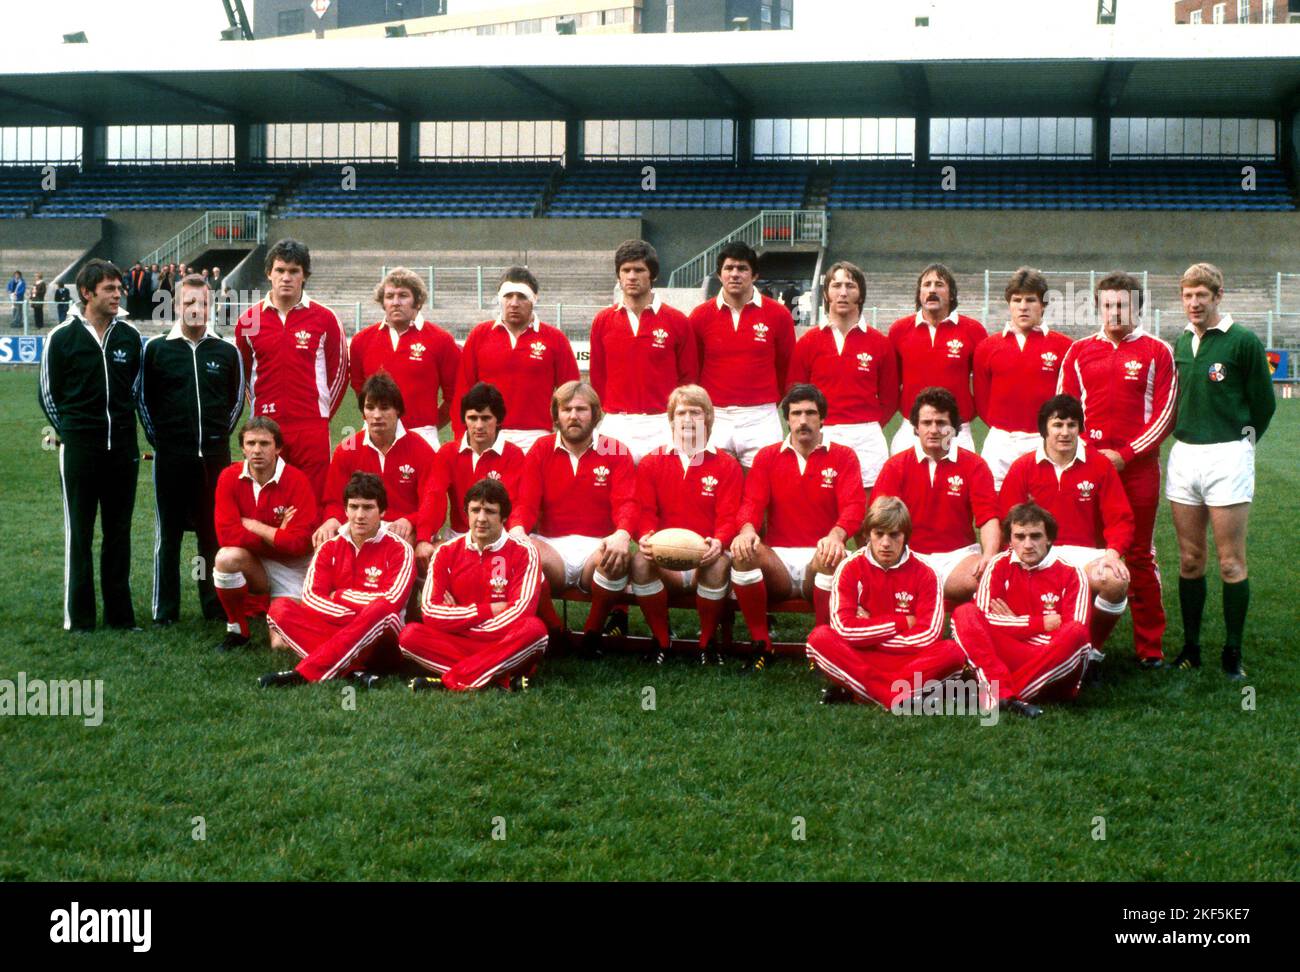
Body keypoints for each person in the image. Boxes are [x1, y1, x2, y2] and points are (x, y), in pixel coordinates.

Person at [1056, 271, 1176, 666]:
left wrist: (1126, 454)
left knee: (1138, 553)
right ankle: (1083, 642)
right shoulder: (1078, 352)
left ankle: (1149, 647)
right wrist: (1088, 452)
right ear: (1098, 307)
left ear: (1137, 307)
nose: (1115, 311)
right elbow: (1064, 408)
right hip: (1088, 467)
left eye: (1123, 304)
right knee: (1086, 550)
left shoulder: (1158, 351)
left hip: (1137, 468)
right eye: (1108, 304)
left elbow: (1165, 415)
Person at [1166, 262, 1275, 678]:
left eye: (1202, 295)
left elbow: (1263, 405)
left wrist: (1242, 447)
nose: (1194, 303)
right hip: (1185, 455)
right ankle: (1191, 649)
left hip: (1228, 455)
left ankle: (1232, 652)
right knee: (1190, 559)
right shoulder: (1180, 342)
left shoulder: (1243, 341)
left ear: (1217, 296)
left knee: (1231, 562)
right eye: (1188, 295)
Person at [37, 259, 142, 632]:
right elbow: (48, 394)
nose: (117, 295)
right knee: (79, 534)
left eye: (119, 289)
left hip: (123, 451)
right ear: (87, 292)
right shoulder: (62, 337)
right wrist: (73, 432)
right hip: (80, 451)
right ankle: (79, 619)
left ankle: (120, 617)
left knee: (119, 533)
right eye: (110, 289)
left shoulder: (129, 337)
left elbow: (135, 391)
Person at [730, 383, 867, 668]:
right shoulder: (767, 457)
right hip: (778, 560)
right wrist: (747, 530)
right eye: (796, 414)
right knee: (743, 555)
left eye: (810, 413)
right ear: (787, 419)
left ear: (822, 418)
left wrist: (836, 535)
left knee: (833, 556)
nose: (803, 420)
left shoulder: (843, 456)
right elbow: (752, 503)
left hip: (819, 555)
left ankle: (821, 648)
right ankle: (762, 644)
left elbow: (854, 507)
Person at [137, 274, 245, 626]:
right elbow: (144, 402)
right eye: (188, 303)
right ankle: (164, 610)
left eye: (202, 303)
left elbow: (235, 402)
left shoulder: (226, 351)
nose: (195, 310)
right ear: (175, 305)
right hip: (170, 457)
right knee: (167, 534)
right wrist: (165, 441)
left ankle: (213, 604)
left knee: (210, 534)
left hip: (214, 460)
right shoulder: (156, 350)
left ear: (210, 305)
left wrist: (213, 440)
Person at [508, 380, 637, 655]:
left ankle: (592, 634)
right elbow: (526, 503)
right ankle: (556, 632)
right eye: (566, 409)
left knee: (616, 558)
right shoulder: (541, 449)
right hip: (553, 545)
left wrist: (623, 534)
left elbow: (626, 502)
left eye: (581, 409)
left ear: (595, 414)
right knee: (524, 553)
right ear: (556, 415)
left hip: (597, 546)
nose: (573, 416)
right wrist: (518, 529)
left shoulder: (615, 450)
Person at [999, 394, 1133, 656]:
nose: (1065, 432)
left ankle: (1090, 651)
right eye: (1057, 425)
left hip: (1084, 556)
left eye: (1072, 425)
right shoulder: (1023, 467)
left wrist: (1113, 553)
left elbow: (1121, 519)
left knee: (1115, 581)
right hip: (1036, 552)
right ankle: (1035, 647)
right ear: (1044, 429)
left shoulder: (1100, 466)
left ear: (1080, 429)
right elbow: (1007, 521)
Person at [805, 496, 966, 708]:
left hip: (905, 658)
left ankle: (860, 691)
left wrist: (869, 632)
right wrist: (902, 623)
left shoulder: (927, 572)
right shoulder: (849, 568)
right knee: (819, 639)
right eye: (879, 534)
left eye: (894, 535)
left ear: (906, 536)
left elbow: (928, 635)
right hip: (864, 656)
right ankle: (892, 695)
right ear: (867, 535)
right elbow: (843, 629)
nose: (886, 543)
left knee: (952, 653)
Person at [258, 472, 416, 688]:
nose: (360, 515)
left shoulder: (400, 549)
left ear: (383, 511)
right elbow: (311, 598)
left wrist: (339, 595)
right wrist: (355, 620)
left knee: (379, 609)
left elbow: (391, 602)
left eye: (368, 507)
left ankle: (302, 674)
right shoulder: (329, 547)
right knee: (280, 608)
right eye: (354, 507)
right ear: (345, 509)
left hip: (382, 641)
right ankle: (354, 672)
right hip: (341, 630)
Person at [400, 477, 547, 693]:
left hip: (500, 638)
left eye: (490, 511)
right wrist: (488, 610)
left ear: (504, 516)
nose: (481, 518)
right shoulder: (445, 552)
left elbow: (521, 613)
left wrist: (458, 619)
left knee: (535, 631)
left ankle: (451, 680)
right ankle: (499, 677)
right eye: (475, 510)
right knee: (409, 636)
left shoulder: (525, 552)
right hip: (478, 643)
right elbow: (430, 612)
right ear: (466, 512)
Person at [632, 384, 743, 665]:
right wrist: (646, 536)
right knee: (640, 563)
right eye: (681, 412)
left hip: (704, 557)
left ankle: (706, 643)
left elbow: (729, 516)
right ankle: (662, 641)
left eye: (696, 412)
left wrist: (719, 541)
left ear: (708, 419)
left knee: (719, 565)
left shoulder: (726, 465)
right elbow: (645, 511)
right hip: (665, 556)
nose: (688, 419)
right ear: (671, 420)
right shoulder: (651, 462)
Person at [951, 503, 1094, 718]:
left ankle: (1000, 693)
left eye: (1035, 536)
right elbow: (983, 621)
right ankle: (1007, 695)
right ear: (1010, 540)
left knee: (1076, 633)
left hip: (1051, 665)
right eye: (1020, 537)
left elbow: (1073, 633)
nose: (1027, 545)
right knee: (964, 614)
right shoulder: (998, 565)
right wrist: (1039, 624)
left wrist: (1011, 623)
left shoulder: (1072, 573)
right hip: (1009, 652)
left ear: (1049, 539)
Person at [234, 238, 348, 500]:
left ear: (304, 276)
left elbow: (340, 375)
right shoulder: (248, 321)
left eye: (294, 271)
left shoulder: (326, 318)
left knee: (313, 500)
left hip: (311, 427)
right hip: (267, 429)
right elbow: (244, 378)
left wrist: (319, 414)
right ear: (268, 273)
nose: (286, 277)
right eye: (280, 270)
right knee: (269, 498)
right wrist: (261, 413)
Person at [871, 386, 1000, 604]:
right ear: (916, 427)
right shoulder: (896, 466)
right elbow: (879, 519)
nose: (933, 430)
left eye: (941, 423)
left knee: (986, 578)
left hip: (958, 558)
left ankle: (969, 634)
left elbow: (988, 518)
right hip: (907, 556)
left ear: (953, 428)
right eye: (926, 423)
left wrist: (988, 556)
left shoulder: (974, 465)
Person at [787, 260, 898, 489]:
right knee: (821, 505)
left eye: (850, 285)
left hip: (866, 436)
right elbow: (794, 395)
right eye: (836, 285)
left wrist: (865, 423)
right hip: (823, 434)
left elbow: (890, 398)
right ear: (826, 294)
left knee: (870, 511)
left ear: (861, 293)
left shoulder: (880, 343)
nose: (843, 292)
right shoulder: (808, 342)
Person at [211, 417, 318, 651]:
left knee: (281, 646)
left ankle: (279, 607)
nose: (257, 450)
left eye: (264, 443)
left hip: (294, 569)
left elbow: (299, 544)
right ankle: (238, 630)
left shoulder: (297, 481)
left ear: (278, 447)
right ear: (242, 447)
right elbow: (226, 536)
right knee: (226, 557)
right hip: (257, 565)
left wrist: (256, 526)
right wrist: (278, 535)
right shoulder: (229, 478)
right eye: (250, 443)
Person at [689, 241, 796, 468]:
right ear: (720, 274)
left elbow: (786, 365)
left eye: (742, 268)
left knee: (767, 488)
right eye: (729, 268)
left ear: (754, 275)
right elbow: (693, 368)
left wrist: (768, 400)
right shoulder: (700, 316)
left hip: (761, 416)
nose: (735, 274)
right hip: (713, 414)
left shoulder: (778, 315)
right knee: (707, 487)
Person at [588, 239, 697, 462]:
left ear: (653, 275)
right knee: (613, 490)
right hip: (617, 423)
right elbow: (598, 376)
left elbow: (688, 377)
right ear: (618, 276)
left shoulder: (677, 321)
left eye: (639, 270)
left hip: (662, 423)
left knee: (664, 491)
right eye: (625, 270)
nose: (631, 276)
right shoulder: (602, 321)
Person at [452, 266, 579, 451]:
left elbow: (571, 393)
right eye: (508, 296)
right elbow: (462, 392)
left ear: (534, 299)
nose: (514, 303)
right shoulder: (479, 335)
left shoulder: (555, 338)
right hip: (488, 435)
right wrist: (460, 437)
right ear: (500, 299)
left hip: (537, 438)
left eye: (521, 296)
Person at [312, 373, 436, 553]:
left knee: (402, 545)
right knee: (325, 541)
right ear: (363, 413)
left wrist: (411, 520)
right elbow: (334, 500)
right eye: (370, 407)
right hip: (359, 525)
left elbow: (431, 503)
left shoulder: (422, 450)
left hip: (401, 529)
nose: (377, 415)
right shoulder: (347, 449)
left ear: (398, 410)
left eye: (384, 408)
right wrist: (332, 519)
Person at [973, 267, 1073, 490]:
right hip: (1000, 442)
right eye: (1017, 300)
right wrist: (1005, 427)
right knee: (996, 509)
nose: (1023, 306)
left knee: (1045, 510)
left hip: (1044, 440)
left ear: (1043, 304)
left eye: (1030, 300)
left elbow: (1068, 398)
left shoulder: (1065, 346)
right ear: (1009, 304)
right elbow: (982, 399)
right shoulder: (987, 347)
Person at [348, 266, 460, 448]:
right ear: (382, 301)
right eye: (390, 296)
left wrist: (429, 425)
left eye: (403, 295)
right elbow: (360, 390)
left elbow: (454, 396)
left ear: (417, 301)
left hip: (422, 435)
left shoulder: (441, 340)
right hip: (375, 435)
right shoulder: (362, 340)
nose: (396, 302)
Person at [421, 381, 525, 569]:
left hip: (499, 538)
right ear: (464, 419)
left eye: (486, 418)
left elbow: (514, 503)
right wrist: (423, 537)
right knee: (423, 557)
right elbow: (434, 496)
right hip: (459, 536)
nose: (478, 425)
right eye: (472, 418)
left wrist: (513, 537)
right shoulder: (448, 453)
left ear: (498, 420)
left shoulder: (514, 455)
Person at [887, 263, 986, 455]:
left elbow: (984, 383)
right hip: (912, 429)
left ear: (951, 294)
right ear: (919, 293)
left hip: (954, 430)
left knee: (953, 483)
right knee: (909, 484)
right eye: (927, 284)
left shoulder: (974, 331)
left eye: (939, 284)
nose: (932, 289)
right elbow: (891, 383)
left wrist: (964, 415)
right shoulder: (899, 331)